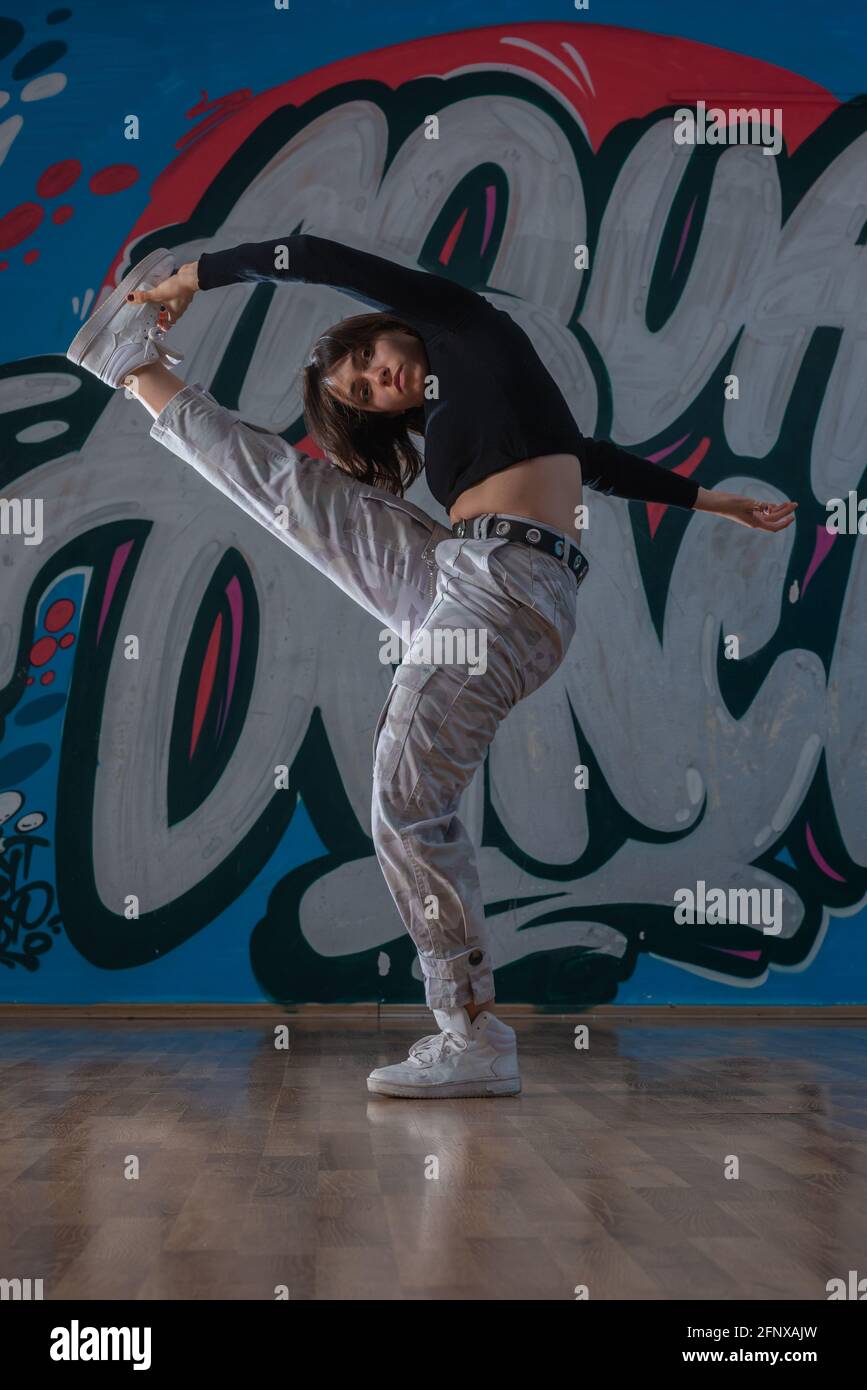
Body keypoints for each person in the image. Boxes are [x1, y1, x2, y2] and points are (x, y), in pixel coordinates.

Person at [67, 240, 796, 1099]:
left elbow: (313, 256)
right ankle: (132, 370)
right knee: (291, 498)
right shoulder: (480, 416)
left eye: (371, 360)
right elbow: (589, 459)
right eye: (364, 392)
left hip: (502, 598)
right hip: (462, 574)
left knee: (405, 796)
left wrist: (201, 274)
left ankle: (471, 1031)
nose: (381, 381)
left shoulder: (462, 325)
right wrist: (713, 499)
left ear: (389, 328)